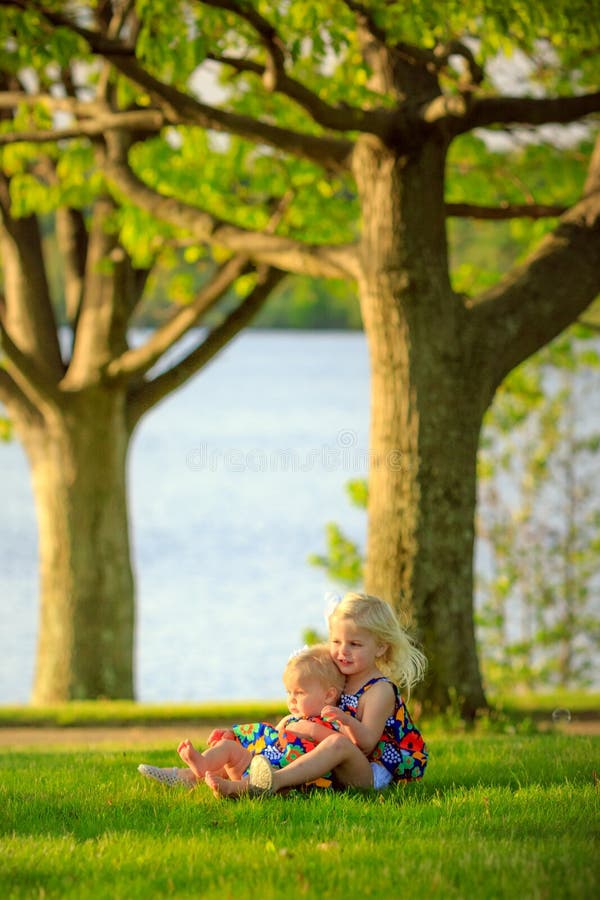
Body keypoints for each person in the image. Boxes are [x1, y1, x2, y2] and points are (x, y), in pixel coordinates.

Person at [214, 591, 428, 797]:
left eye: (354, 644)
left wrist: (341, 722)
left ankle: (275, 780)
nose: (343, 651)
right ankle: (212, 772)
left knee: (338, 744)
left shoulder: (379, 690)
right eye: (336, 642)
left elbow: (366, 745)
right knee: (285, 737)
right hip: (334, 762)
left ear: (380, 647)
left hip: (371, 773)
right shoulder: (341, 672)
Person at [137, 644, 346, 793]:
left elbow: (336, 744)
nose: (291, 699)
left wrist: (309, 729)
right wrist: (237, 737)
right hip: (259, 763)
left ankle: (231, 788)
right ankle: (202, 763)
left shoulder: (329, 722)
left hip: (286, 777)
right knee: (228, 747)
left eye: (299, 693)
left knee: (261, 778)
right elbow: (268, 736)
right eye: (288, 692)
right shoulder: (290, 720)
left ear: (328, 695)